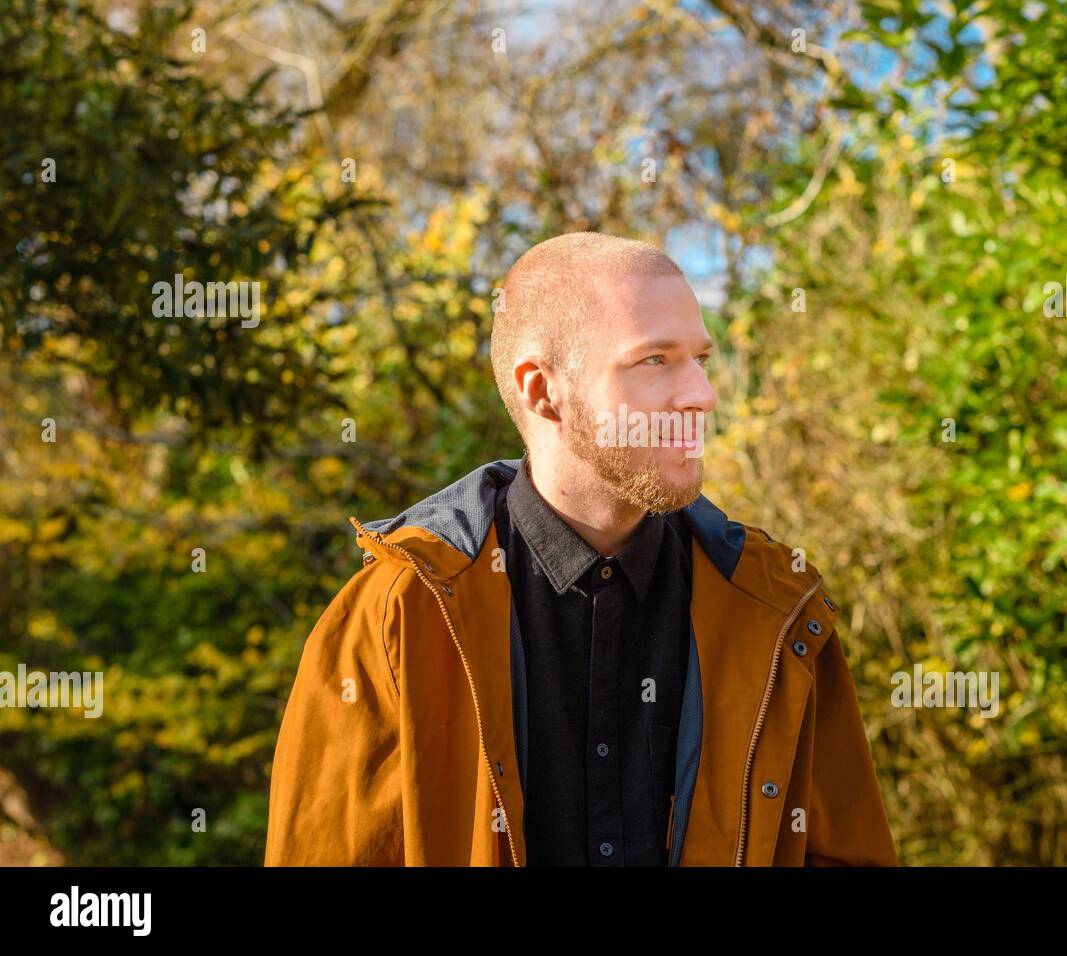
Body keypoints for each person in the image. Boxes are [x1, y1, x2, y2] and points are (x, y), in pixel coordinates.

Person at [264, 232, 898, 866]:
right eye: (655, 360)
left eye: (700, 358)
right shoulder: (397, 616)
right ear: (543, 391)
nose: (702, 395)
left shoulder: (778, 610)